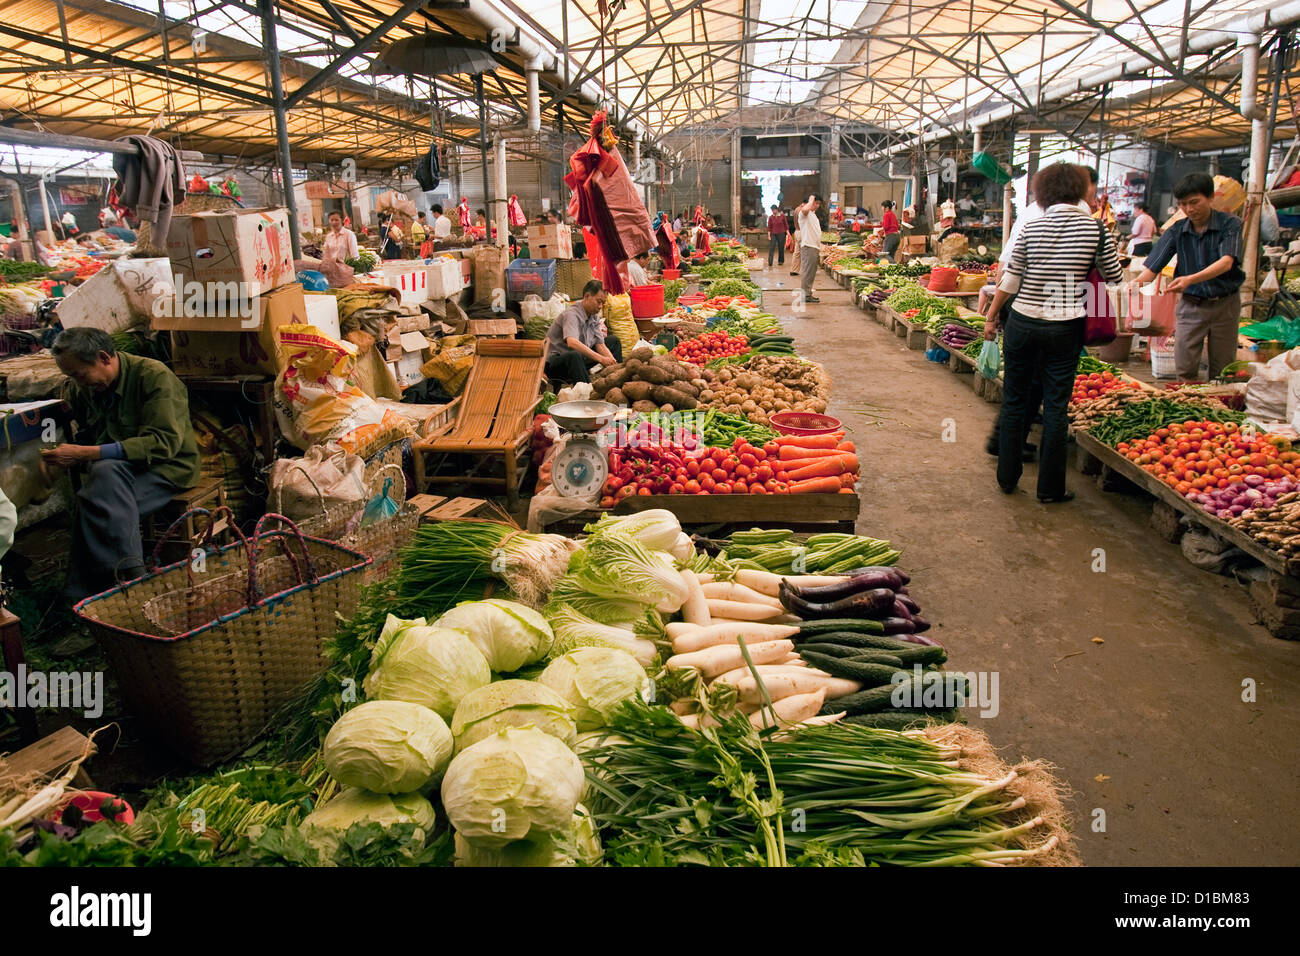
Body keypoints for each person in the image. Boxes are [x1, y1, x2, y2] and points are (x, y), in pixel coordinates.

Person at [983, 163, 1122, 504]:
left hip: (1023, 323)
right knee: (1056, 408)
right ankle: (1050, 489)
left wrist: (990, 316)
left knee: (1015, 401)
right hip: (1065, 327)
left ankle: (1007, 478)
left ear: (1043, 192)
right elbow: (1114, 277)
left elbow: (1011, 278)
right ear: (1078, 190)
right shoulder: (1095, 230)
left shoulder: (1032, 226)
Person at [44, 327, 201, 601]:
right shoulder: (86, 390)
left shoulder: (153, 377)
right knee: (102, 490)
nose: (78, 383)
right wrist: (70, 457)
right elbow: (88, 438)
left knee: (98, 495)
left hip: (166, 469)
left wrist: (86, 454)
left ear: (104, 358)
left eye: (80, 374)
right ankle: (131, 580)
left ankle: (91, 593)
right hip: (116, 477)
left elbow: (163, 443)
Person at [1133, 172, 1244, 381]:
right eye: (1183, 204)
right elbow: (1152, 268)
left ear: (1210, 197)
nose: (1189, 209)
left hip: (1225, 305)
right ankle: (1189, 405)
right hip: (1191, 305)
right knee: (1184, 365)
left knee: (1223, 369)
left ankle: (1218, 406)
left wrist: (1190, 279)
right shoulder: (1177, 230)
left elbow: (1227, 262)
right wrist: (1132, 286)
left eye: (1194, 202)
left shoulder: (1230, 224)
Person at [543, 281, 622, 386]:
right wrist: (601, 359)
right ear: (587, 296)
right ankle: (587, 391)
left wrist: (614, 364)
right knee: (574, 356)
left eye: (603, 303)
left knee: (613, 341)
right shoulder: (572, 314)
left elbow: (600, 345)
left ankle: (617, 381)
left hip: (578, 358)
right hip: (555, 364)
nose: (600, 306)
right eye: (598, 302)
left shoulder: (594, 316)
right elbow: (572, 342)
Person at [795, 194, 823, 303]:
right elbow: (805, 209)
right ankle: (805, 295)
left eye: (818, 204)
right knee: (807, 272)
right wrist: (811, 199)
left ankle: (808, 293)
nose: (817, 206)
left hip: (814, 246)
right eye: (816, 203)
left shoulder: (812, 214)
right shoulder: (804, 213)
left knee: (811, 272)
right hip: (809, 246)